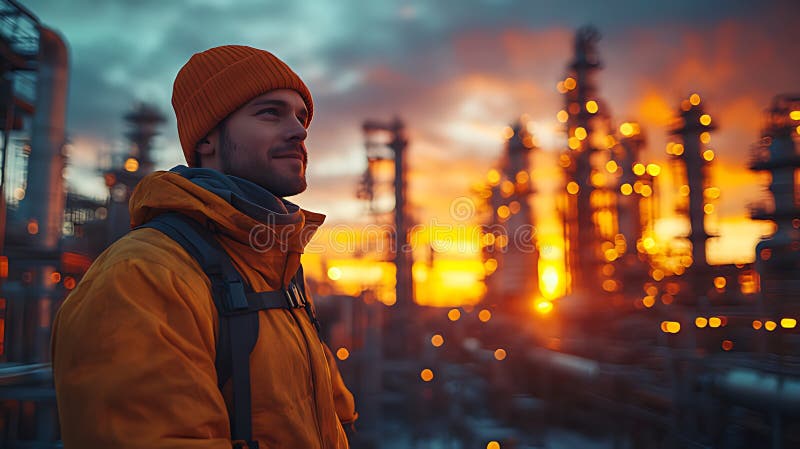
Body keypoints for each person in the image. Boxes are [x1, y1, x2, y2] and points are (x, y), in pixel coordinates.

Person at [51, 45, 357, 449]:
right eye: (271, 112)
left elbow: (337, 418)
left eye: (302, 117)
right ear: (208, 139)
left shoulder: (277, 271)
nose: (300, 130)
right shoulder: (141, 277)